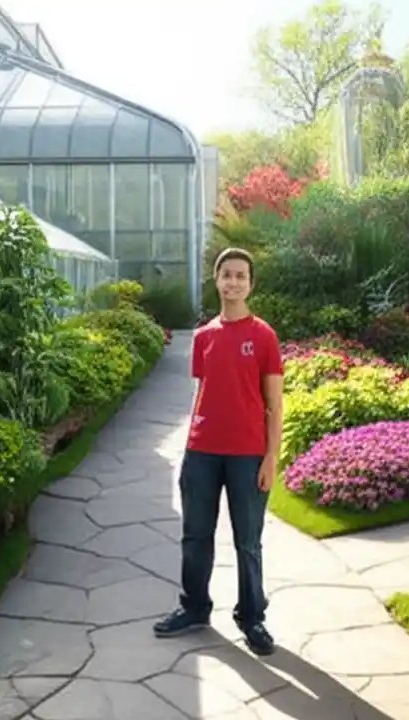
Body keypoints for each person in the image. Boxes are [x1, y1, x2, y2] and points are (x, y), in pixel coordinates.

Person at [152, 247, 284, 656]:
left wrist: (270, 458)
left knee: (248, 540)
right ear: (216, 279)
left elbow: (275, 405)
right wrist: (187, 449)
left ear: (251, 283)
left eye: (241, 275)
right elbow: (201, 394)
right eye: (226, 274)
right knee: (195, 536)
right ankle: (193, 607)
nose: (233, 282)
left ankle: (252, 617)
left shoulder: (264, 336)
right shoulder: (205, 337)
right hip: (202, 454)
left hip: (247, 455)